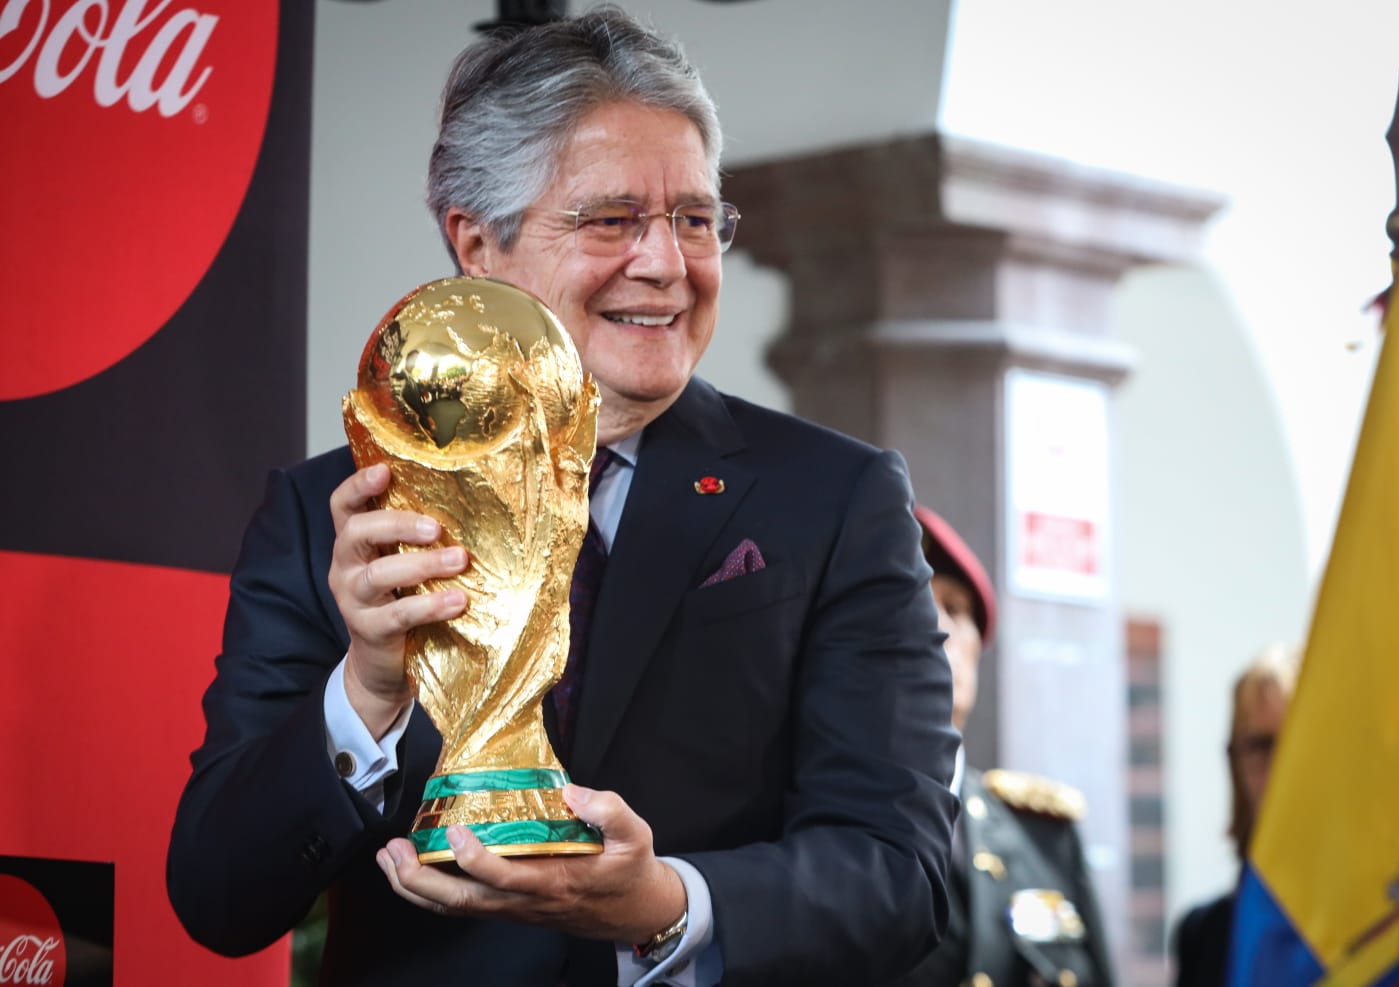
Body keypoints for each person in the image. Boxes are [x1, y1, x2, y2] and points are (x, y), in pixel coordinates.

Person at [165, 7, 957, 987]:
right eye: (612, 219)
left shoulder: (834, 498)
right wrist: (366, 690)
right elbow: (216, 896)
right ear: (477, 245)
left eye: (695, 219)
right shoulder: (334, 512)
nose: (666, 263)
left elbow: (905, 875)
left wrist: (665, 906)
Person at [897, 506, 1115, 987]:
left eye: (955, 609)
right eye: (911, 605)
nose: (936, 628)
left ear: (979, 649)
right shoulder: (808, 823)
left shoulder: (1042, 835)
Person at [1171, 644, 1298, 987]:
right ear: (1235, 761)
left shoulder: (1386, 923)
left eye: (1294, 745)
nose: (1280, 770)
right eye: (1261, 747)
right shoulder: (1205, 934)